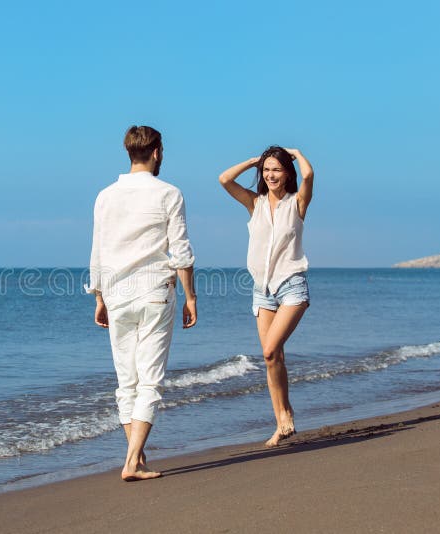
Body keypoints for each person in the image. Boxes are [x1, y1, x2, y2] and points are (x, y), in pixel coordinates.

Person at [87, 125, 197, 481]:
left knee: (127, 382)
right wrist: (191, 298)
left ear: (129, 152)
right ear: (157, 152)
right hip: (155, 292)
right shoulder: (169, 193)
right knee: (149, 380)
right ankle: (132, 462)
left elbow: (98, 251)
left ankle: (137, 455)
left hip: (117, 294)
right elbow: (181, 252)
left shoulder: (105, 196)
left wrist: (99, 297)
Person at [219, 146, 314, 447]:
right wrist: (252, 161)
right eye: (267, 170)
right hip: (262, 291)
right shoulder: (254, 203)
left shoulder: (297, 203)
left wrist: (296, 152)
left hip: (291, 286)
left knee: (270, 351)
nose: (271, 175)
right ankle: (282, 421)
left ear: (287, 173)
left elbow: (309, 174)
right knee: (273, 358)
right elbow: (224, 179)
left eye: (277, 169)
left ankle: (286, 415)